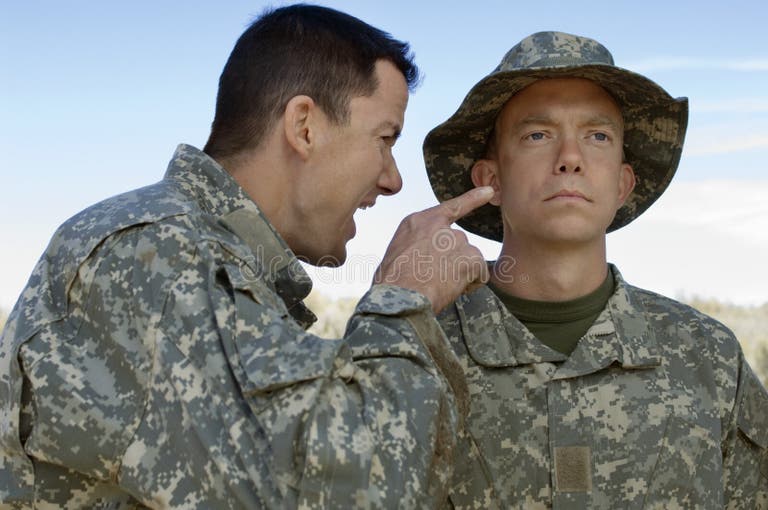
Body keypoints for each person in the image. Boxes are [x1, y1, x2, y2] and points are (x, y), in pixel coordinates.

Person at [0, 5, 492, 508]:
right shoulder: (161, 253)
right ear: (304, 126)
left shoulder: (203, 253)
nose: (393, 180)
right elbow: (356, 489)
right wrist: (403, 301)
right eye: (385, 139)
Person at [423, 31, 768, 508]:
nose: (569, 159)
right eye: (537, 135)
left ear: (623, 183)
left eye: (598, 136)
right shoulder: (420, 353)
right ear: (491, 179)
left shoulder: (709, 359)